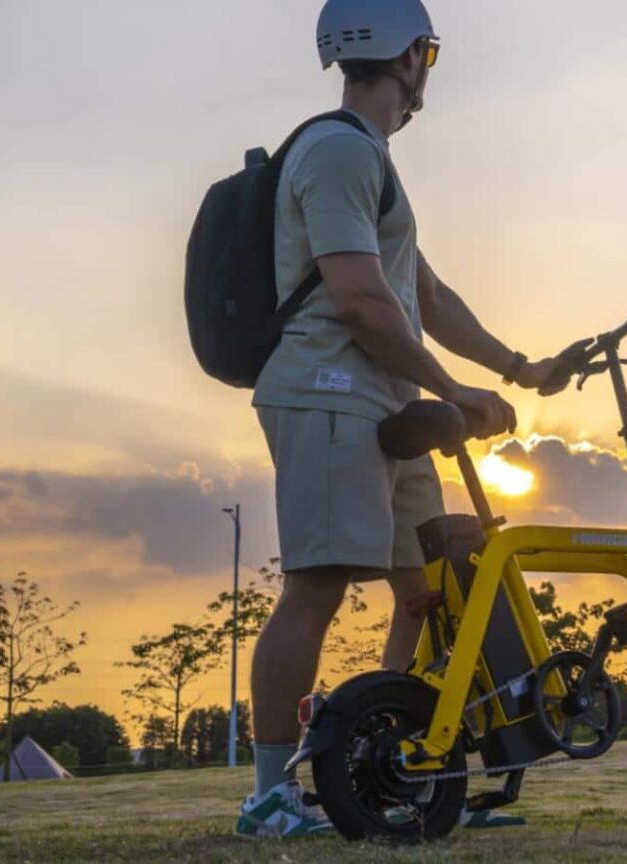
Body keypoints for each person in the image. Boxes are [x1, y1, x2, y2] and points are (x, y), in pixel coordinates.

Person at [235, 0, 564, 839]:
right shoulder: (339, 151)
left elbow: (422, 293)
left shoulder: (370, 162)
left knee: (424, 593)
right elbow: (359, 299)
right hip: (327, 391)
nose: (428, 72)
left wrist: (516, 368)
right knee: (316, 586)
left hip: (383, 401)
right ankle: (270, 798)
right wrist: (452, 393)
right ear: (409, 55)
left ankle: (409, 769)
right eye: (430, 54)